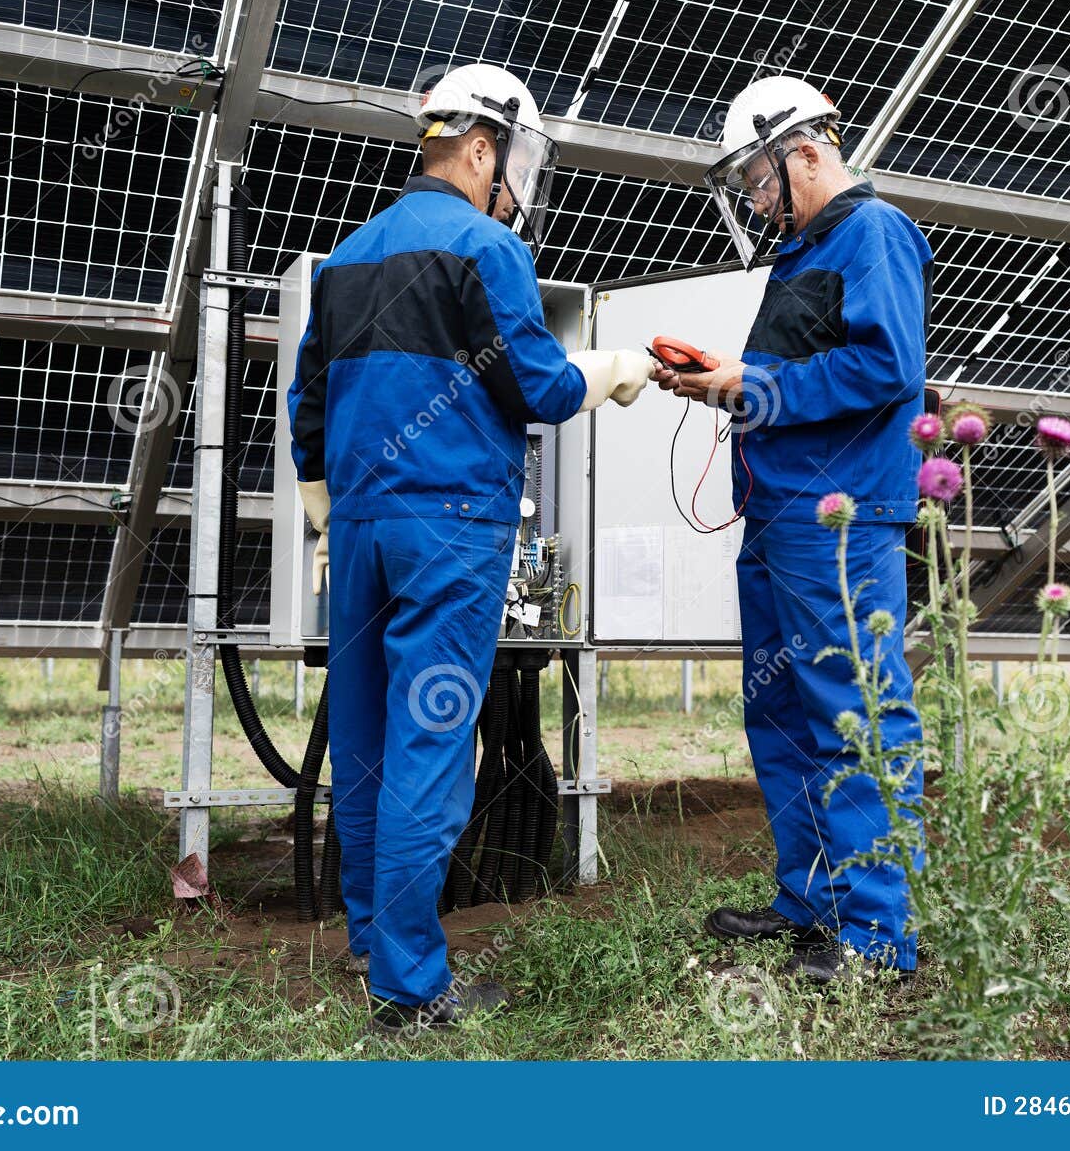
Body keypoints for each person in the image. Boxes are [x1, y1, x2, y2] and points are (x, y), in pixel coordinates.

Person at [288, 63, 654, 1033]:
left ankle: (375, 942)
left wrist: (330, 511)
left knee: (362, 743)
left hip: (359, 529)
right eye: (518, 158)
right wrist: (610, 368)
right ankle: (411, 989)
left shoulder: (346, 257)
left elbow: (307, 409)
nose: (519, 179)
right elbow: (534, 386)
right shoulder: (484, 246)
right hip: (449, 525)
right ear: (484, 146)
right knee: (430, 745)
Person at [655, 75, 933, 982]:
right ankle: (814, 902)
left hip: (838, 519)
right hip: (778, 517)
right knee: (779, 710)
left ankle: (880, 936)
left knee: (853, 714)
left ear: (807, 150)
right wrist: (727, 380)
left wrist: (745, 384)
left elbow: (887, 367)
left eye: (762, 180)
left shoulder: (874, 233)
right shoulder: (800, 253)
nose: (757, 200)